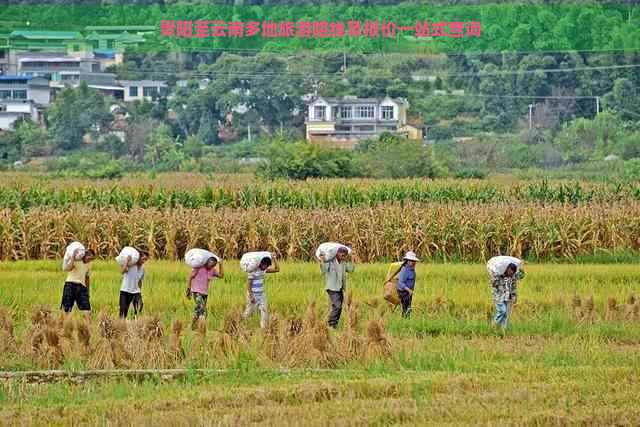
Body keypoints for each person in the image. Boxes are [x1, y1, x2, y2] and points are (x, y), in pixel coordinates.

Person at [319, 247, 355, 329]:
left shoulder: (344, 263)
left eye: (345, 256)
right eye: (342, 255)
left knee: (339, 307)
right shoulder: (330, 261)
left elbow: (351, 270)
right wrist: (322, 260)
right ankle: (330, 324)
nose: (343, 257)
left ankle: (334, 325)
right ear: (337, 253)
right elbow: (323, 270)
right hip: (331, 288)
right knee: (337, 306)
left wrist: (352, 259)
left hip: (340, 288)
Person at [187, 256, 224, 330]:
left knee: (197, 310)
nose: (212, 266)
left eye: (214, 265)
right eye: (211, 264)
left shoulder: (212, 270)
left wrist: (221, 264)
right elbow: (190, 277)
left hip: (205, 293)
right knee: (203, 310)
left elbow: (221, 276)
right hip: (196, 292)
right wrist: (188, 290)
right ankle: (202, 328)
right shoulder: (199, 267)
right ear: (207, 262)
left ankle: (192, 327)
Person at [243, 256, 279, 329]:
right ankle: (240, 323)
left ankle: (264, 328)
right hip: (253, 294)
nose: (266, 267)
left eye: (267, 266)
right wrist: (251, 296)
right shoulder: (252, 270)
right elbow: (248, 285)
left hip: (261, 294)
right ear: (261, 264)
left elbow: (277, 269)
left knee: (264, 310)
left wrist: (274, 259)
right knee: (249, 311)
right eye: (265, 265)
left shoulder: (264, 270)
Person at [61, 248, 96, 321]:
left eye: (92, 259)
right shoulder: (76, 259)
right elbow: (67, 268)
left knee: (87, 310)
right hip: (70, 284)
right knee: (66, 309)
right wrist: (73, 257)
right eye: (90, 258)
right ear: (86, 254)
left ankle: (87, 328)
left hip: (82, 287)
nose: (90, 260)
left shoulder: (89, 264)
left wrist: (87, 291)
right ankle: (63, 327)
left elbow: (87, 277)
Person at [490, 262, 525, 330]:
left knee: (506, 314)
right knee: (502, 311)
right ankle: (494, 325)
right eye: (510, 271)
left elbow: (521, 276)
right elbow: (493, 284)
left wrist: (521, 267)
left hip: (508, 297)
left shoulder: (513, 277)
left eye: (512, 272)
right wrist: (495, 275)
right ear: (507, 269)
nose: (510, 273)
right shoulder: (499, 275)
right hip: (498, 297)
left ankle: (503, 329)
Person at [119, 250, 148, 319]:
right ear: (138, 258)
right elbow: (122, 271)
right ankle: (121, 325)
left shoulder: (143, 269)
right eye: (143, 259)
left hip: (136, 292)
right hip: (125, 290)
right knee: (123, 310)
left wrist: (140, 291)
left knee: (139, 306)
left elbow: (140, 281)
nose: (144, 261)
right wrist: (126, 261)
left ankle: (135, 322)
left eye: (146, 260)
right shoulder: (131, 265)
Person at [396, 251, 420, 318]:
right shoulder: (404, 270)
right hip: (403, 292)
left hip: (409, 292)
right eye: (412, 261)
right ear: (408, 261)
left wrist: (411, 290)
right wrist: (408, 290)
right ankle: (405, 320)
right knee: (406, 308)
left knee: (408, 307)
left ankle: (406, 320)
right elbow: (400, 283)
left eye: (414, 261)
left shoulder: (412, 270)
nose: (414, 263)